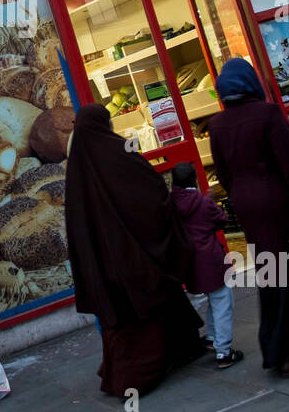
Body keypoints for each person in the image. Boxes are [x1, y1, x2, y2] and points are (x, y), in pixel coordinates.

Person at [207, 59, 289, 376]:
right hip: (280, 202)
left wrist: (240, 194)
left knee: (272, 276)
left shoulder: (217, 124)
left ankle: (278, 351)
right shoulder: (268, 113)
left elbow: (222, 172)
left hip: (248, 207)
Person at [65, 104, 204, 396]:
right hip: (136, 256)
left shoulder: (77, 169)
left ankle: (161, 358)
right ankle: (134, 377)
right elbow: (150, 192)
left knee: (126, 319)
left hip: (106, 263)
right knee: (150, 306)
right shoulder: (118, 152)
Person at [169, 161, 242, 369]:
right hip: (210, 259)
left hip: (190, 263)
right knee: (222, 302)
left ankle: (211, 337)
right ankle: (224, 352)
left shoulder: (169, 203)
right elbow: (222, 220)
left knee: (214, 299)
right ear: (193, 179)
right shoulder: (202, 202)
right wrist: (208, 201)